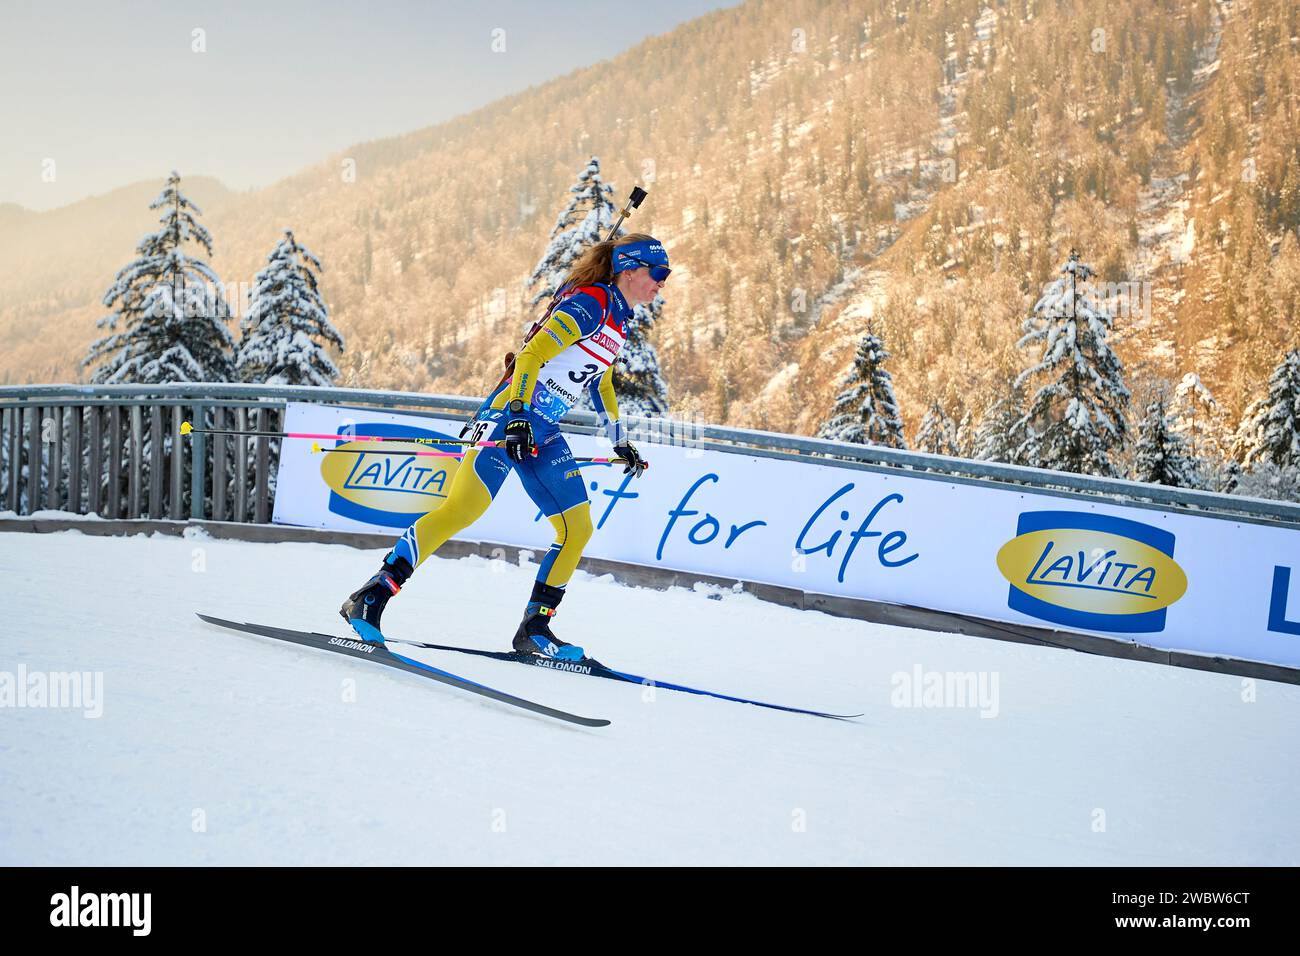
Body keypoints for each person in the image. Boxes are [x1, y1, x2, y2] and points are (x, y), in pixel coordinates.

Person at [339, 233, 670, 661]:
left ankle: (535, 628)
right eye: (658, 273)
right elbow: (530, 357)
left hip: (545, 430)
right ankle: (371, 596)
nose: (662, 283)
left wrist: (619, 439)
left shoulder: (620, 319)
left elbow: (601, 380)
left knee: (577, 528)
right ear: (630, 268)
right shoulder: (591, 303)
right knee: (462, 510)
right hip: (508, 418)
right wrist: (515, 417)